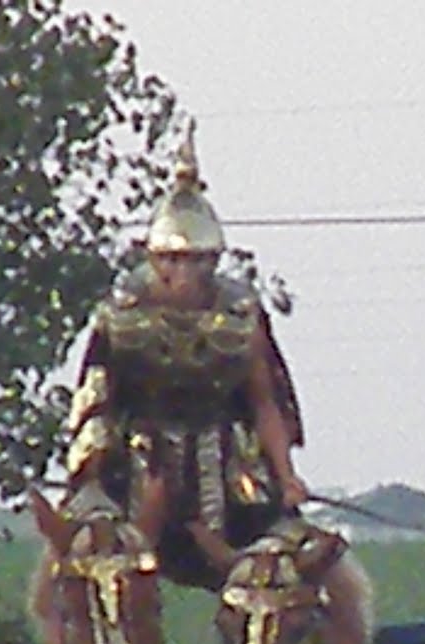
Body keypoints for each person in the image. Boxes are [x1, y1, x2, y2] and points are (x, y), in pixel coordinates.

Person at [64, 124, 311, 587]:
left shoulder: (240, 314)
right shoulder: (121, 315)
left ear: (212, 260)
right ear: (154, 258)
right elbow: (98, 400)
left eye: (195, 260)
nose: (183, 272)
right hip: (140, 452)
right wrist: (90, 478)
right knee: (85, 554)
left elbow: (264, 401)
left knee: (288, 555)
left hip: (225, 455)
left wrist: (286, 476)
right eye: (172, 260)